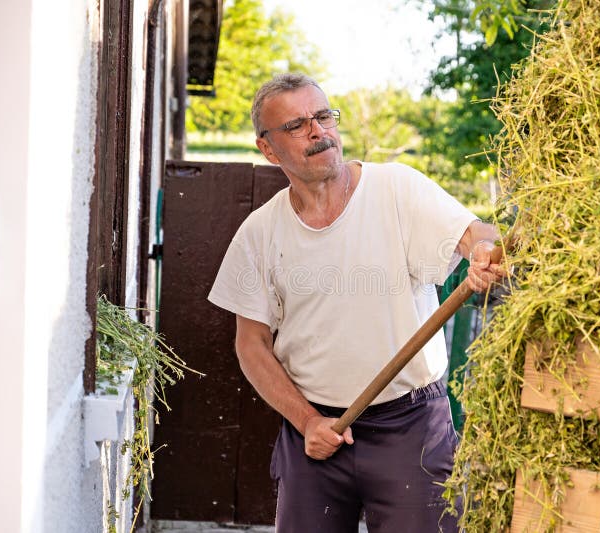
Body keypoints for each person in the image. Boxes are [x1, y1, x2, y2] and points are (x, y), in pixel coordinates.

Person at [208, 72, 505, 532]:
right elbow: (251, 346)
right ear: (268, 148)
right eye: (296, 125)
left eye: (324, 116)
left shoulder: (396, 190)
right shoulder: (259, 234)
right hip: (316, 436)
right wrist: (307, 422)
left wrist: (483, 251)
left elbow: (474, 233)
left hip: (411, 428)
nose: (318, 131)